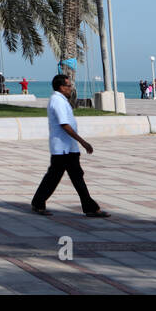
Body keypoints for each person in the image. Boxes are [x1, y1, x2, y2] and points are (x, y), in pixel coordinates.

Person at [31, 74, 109, 218]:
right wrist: (83, 142)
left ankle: (38, 202)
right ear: (61, 87)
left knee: (61, 177)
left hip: (67, 148)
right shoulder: (58, 101)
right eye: (69, 86)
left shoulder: (60, 100)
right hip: (63, 149)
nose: (71, 88)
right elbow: (64, 124)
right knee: (70, 178)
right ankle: (90, 208)